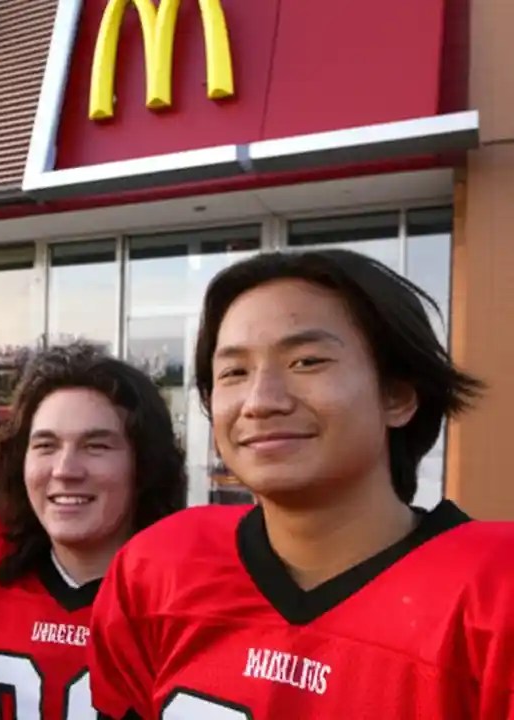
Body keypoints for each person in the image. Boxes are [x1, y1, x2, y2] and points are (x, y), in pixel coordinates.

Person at [88, 249, 511, 719]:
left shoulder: (494, 594)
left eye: (307, 362)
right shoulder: (158, 568)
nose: (260, 401)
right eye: (233, 372)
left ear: (397, 396)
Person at [0, 344, 187, 719]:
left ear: (143, 463)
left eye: (96, 445)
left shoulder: (189, 591)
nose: (65, 469)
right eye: (46, 445)